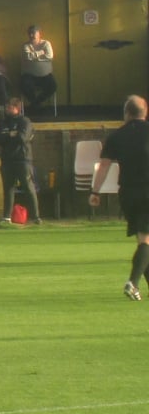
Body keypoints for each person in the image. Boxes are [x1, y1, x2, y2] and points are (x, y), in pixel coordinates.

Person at [90, 94, 149, 300]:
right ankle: (132, 283)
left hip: (128, 193)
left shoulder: (117, 136)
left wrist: (95, 192)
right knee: (146, 240)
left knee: (143, 239)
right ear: (145, 112)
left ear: (127, 113)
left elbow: (104, 166)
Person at [0, 97, 41, 226]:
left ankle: (36, 217)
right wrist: (11, 135)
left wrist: (8, 136)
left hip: (22, 159)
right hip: (7, 159)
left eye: (10, 107)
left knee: (28, 186)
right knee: (8, 188)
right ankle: (6, 217)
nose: (7, 109)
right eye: (6, 107)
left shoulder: (24, 121)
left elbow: (22, 138)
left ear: (17, 109)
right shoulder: (3, 122)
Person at [20, 25, 57, 115]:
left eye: (34, 33)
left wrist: (34, 56)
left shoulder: (46, 43)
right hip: (29, 75)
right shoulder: (26, 45)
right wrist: (41, 52)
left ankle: (36, 103)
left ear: (39, 34)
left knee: (53, 86)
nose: (31, 35)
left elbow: (49, 56)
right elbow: (28, 57)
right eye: (30, 33)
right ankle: (37, 105)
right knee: (23, 85)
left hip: (45, 74)